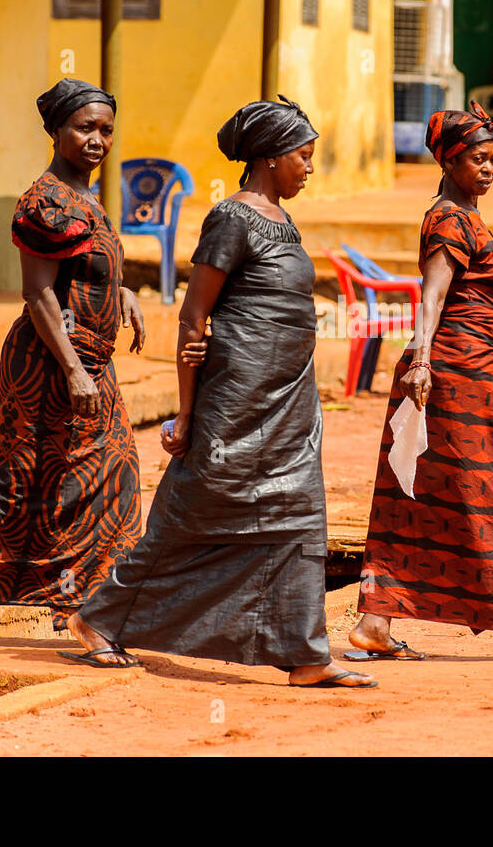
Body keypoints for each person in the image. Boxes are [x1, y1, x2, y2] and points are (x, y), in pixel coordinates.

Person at [64, 96, 376, 688]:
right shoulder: (231, 218)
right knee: (196, 511)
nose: (310, 167)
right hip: (235, 399)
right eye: (304, 156)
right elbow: (193, 317)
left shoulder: (283, 220)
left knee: (298, 514)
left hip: (289, 400)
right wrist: (186, 412)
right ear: (270, 156)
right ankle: (99, 618)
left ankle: (305, 653)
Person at [0, 79, 153, 648]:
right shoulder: (46, 202)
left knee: (102, 481)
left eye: (106, 130)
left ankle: (84, 604)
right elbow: (39, 294)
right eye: (85, 128)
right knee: (19, 481)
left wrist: (124, 293)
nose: (98, 139)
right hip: (48, 367)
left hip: (90, 361)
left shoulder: (88, 199)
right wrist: (71, 369)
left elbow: (85, 271)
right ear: (56, 131)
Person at [349, 101, 493, 661]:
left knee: (417, 497)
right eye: (477, 159)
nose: (488, 169)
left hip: (470, 373)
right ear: (450, 161)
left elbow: (466, 297)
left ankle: (375, 625)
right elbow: (432, 297)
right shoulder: (452, 220)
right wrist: (423, 362)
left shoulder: (461, 218)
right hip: (452, 380)